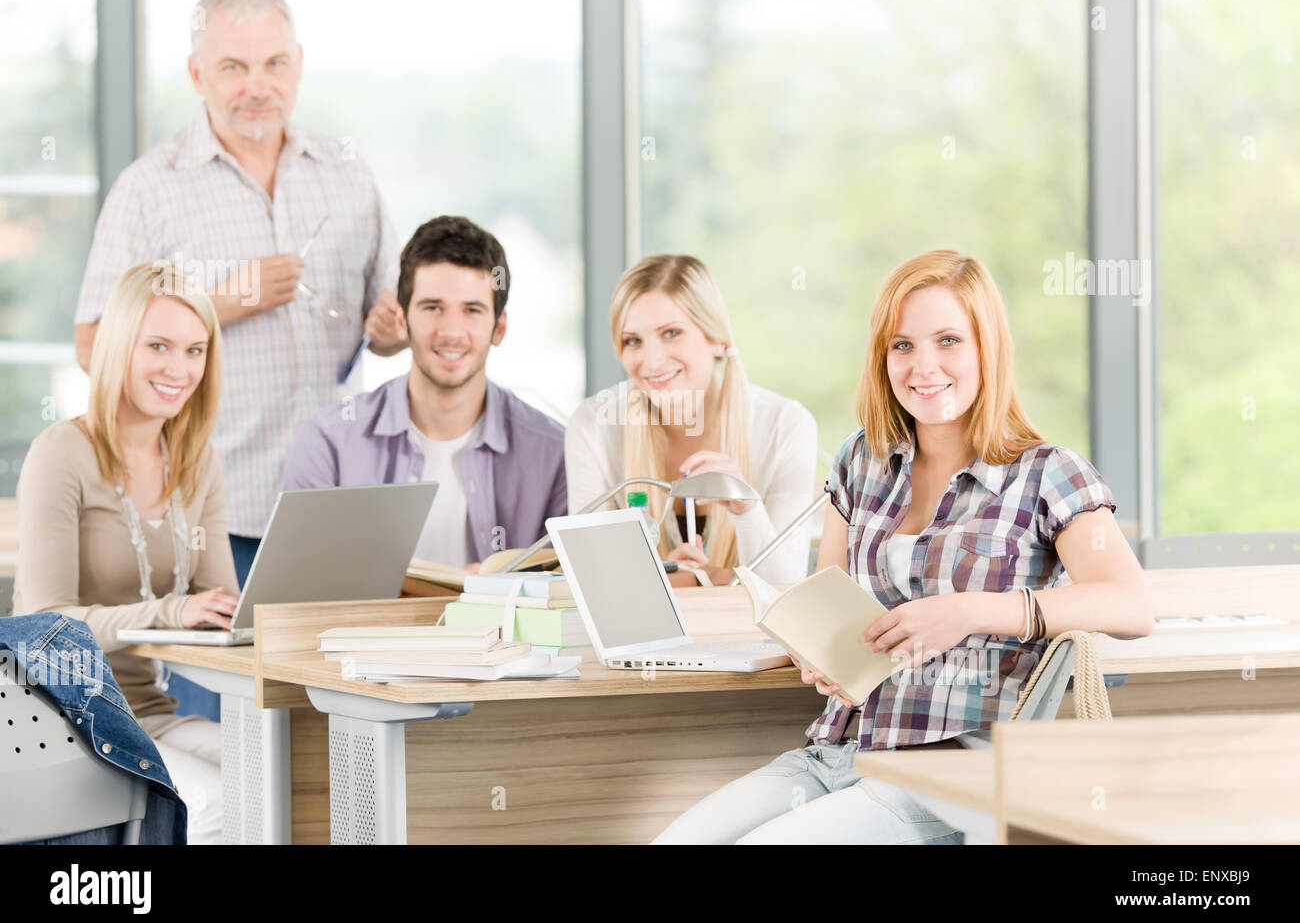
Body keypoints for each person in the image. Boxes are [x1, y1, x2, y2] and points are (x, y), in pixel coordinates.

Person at [653, 249, 1153, 844]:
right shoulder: (861, 462)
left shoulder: (1048, 473)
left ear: (986, 348)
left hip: (948, 776)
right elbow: (827, 598)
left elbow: (1132, 606)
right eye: (903, 345)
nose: (924, 366)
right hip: (840, 751)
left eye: (948, 340)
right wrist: (821, 655)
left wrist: (966, 613)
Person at [73, 0, 404, 587]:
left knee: (328, 685)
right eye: (234, 67)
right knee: (204, 686)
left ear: (298, 64)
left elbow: (387, 322)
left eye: (275, 63)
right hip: (206, 513)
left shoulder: (347, 173)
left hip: (332, 506)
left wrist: (392, 333)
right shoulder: (150, 188)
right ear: (198, 74)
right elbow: (94, 347)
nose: (258, 85)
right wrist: (223, 302)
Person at [14, 262, 240, 845]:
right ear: (118, 348)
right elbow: (46, 628)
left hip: (151, 712)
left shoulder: (198, 460)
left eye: (195, 350)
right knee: (215, 803)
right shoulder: (61, 454)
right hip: (66, 718)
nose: (179, 368)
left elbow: (217, 607)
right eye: (158, 346)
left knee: (286, 770)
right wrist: (169, 611)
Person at [281, 216, 567, 567]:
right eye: (433, 308)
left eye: (472, 310)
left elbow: (568, 597)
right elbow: (302, 590)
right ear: (402, 321)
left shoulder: (553, 453)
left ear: (499, 327)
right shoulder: (327, 442)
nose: (451, 331)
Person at [565, 255, 818, 587]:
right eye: (633, 341)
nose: (651, 361)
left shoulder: (785, 425)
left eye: (671, 333)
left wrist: (747, 512)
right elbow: (592, 581)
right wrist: (681, 576)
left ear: (717, 339)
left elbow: (785, 588)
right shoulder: (593, 426)